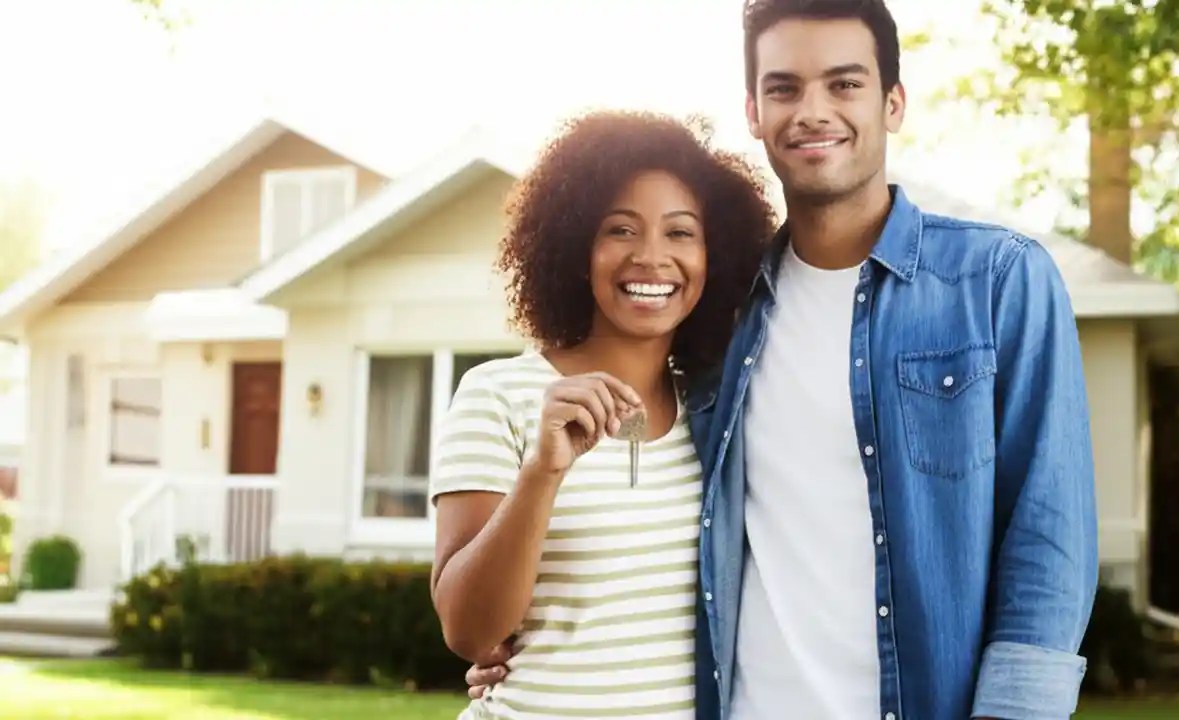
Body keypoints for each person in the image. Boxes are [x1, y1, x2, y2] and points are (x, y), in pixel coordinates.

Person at [467, 1, 1100, 719]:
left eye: (845, 84)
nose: (813, 111)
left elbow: (1048, 549)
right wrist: (518, 640)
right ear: (753, 111)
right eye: (784, 88)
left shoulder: (997, 282)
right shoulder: (719, 314)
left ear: (893, 102)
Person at [429, 110, 775, 720]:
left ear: (712, 255)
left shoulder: (719, 415)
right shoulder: (497, 394)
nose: (650, 257)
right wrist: (542, 471)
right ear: (575, 246)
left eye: (680, 233)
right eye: (620, 230)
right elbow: (468, 629)